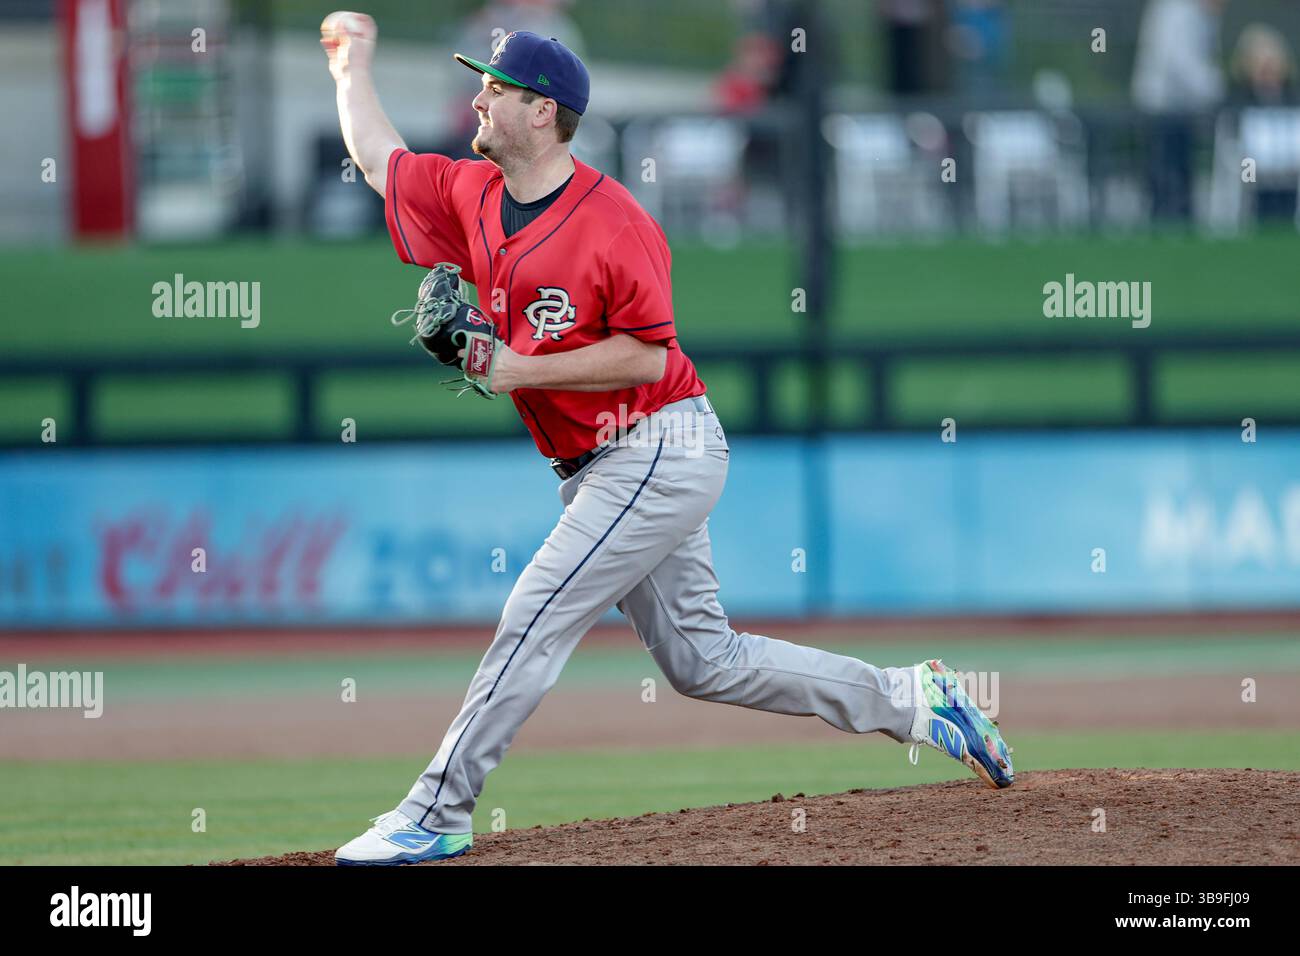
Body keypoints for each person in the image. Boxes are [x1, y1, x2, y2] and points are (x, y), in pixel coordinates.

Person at [319, 12, 1014, 866]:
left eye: (497, 88)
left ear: (543, 111)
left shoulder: (613, 221)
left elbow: (648, 354)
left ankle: (437, 810)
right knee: (702, 660)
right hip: (603, 465)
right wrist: (351, 66)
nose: (480, 99)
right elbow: (378, 159)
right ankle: (915, 700)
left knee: (535, 612)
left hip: (656, 444)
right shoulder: (473, 195)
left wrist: (515, 367)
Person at [1132, 0, 1229, 222]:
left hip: (1177, 109)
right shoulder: (1179, 12)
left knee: (1176, 174)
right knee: (1167, 176)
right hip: (1164, 109)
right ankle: (1168, 222)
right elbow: (1180, 63)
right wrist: (1216, 89)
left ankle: (1174, 221)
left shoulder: (1190, 14)